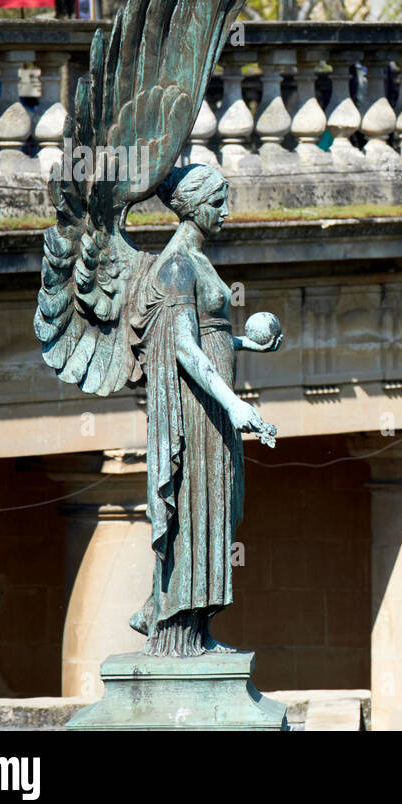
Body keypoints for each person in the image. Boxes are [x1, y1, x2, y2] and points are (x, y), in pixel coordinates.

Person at [127, 164, 280, 656]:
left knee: (221, 506)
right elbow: (184, 349)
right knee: (196, 508)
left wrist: (244, 345)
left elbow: (207, 335)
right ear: (193, 207)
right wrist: (234, 404)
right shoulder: (175, 266)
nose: (227, 212)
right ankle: (174, 630)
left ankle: (196, 628)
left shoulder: (197, 259)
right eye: (218, 202)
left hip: (213, 406)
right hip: (197, 409)